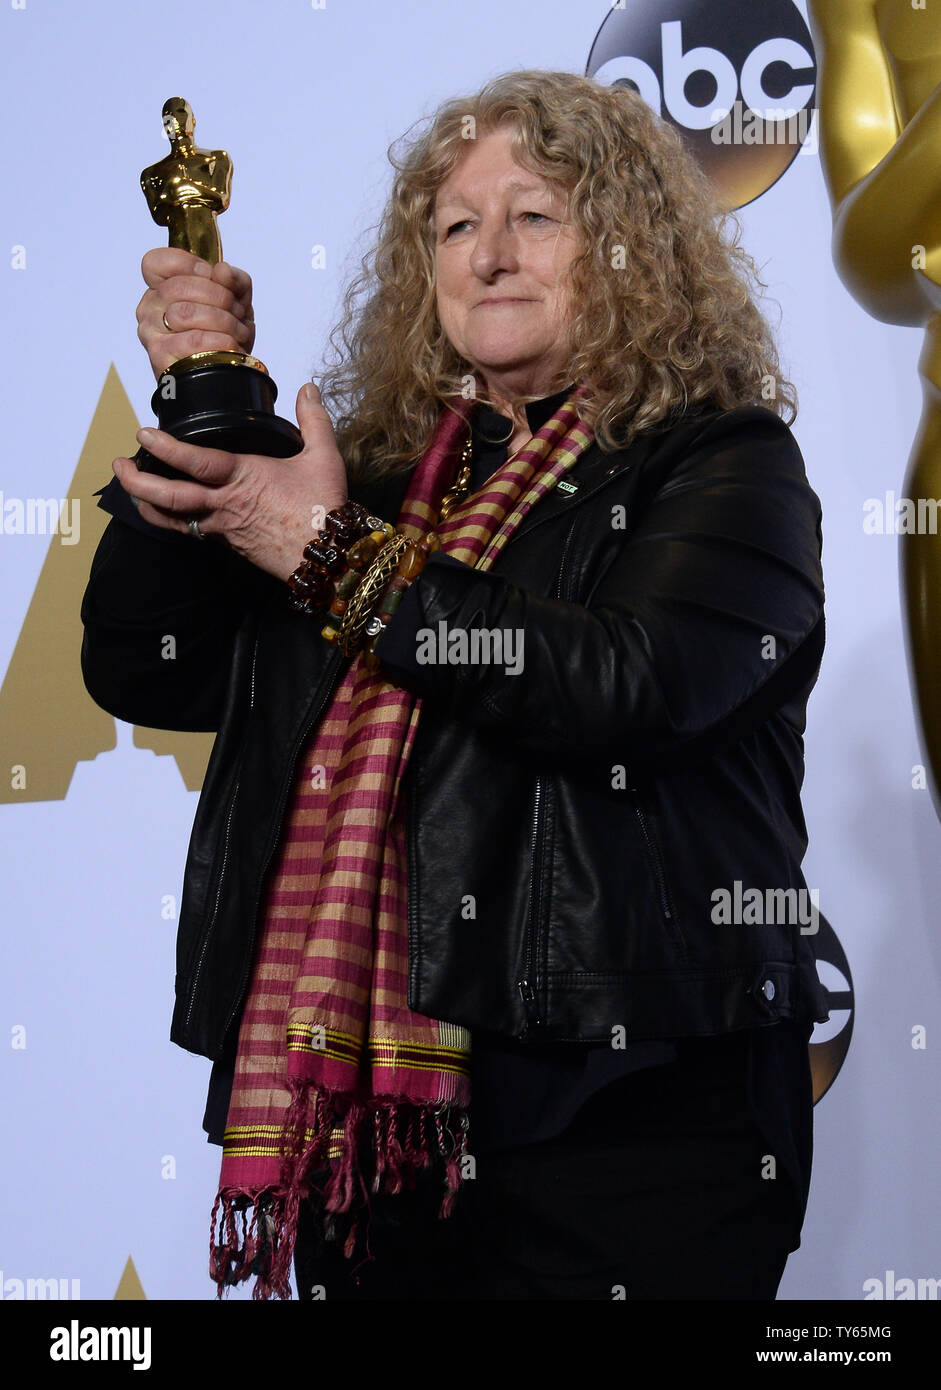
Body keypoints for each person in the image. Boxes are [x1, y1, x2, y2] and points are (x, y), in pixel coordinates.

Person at [80, 69, 830, 1301]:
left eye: (534, 216)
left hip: (633, 1123)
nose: (489, 255)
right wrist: (211, 420)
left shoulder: (723, 462)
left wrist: (326, 556)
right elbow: (147, 668)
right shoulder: (360, 482)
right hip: (377, 1148)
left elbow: (623, 682)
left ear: (628, 245)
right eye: (455, 226)